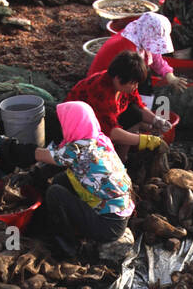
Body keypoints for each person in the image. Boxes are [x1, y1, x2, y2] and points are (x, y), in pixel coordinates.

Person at [35, 103, 135, 258]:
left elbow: (42, 155)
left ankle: (69, 247)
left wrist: (13, 147)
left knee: (54, 193)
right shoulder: (98, 140)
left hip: (108, 227)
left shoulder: (78, 150)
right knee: (62, 179)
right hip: (118, 217)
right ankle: (72, 224)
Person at [67, 51, 170, 149]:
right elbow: (112, 133)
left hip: (108, 119)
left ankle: (122, 157)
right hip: (78, 127)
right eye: (134, 83)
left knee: (135, 114)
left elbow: (139, 106)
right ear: (118, 78)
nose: (136, 87)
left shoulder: (125, 84)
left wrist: (157, 120)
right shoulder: (101, 93)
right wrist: (145, 140)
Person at [88, 11, 187, 94]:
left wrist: (169, 75)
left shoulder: (139, 34)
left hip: (122, 79)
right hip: (102, 86)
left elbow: (155, 58)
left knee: (144, 73)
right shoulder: (127, 48)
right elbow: (124, 81)